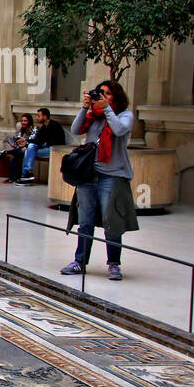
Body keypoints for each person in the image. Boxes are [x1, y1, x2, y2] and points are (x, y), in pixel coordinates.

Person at [61, 81, 138, 282]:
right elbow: (76, 130)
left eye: (107, 93)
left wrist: (106, 109)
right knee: (85, 220)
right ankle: (80, 261)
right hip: (88, 176)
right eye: (100, 93)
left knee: (112, 221)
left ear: (116, 97)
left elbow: (120, 130)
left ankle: (113, 264)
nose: (102, 96)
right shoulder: (93, 116)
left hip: (112, 176)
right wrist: (85, 107)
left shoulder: (124, 115)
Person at [15, 107, 66, 184]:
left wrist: (42, 144)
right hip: (46, 148)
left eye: (39, 116)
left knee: (29, 150)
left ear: (45, 117)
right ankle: (27, 174)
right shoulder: (44, 127)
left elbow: (53, 142)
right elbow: (37, 140)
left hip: (55, 150)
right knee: (30, 147)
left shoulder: (54, 125)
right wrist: (26, 140)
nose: (37, 118)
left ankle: (26, 175)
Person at [0, 113, 33, 182]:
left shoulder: (33, 130)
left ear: (29, 122)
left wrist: (25, 143)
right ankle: (13, 177)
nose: (23, 123)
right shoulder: (21, 131)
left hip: (29, 149)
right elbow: (17, 142)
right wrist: (17, 143)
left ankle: (5, 152)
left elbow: (33, 141)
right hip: (20, 149)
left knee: (17, 152)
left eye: (25, 121)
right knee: (14, 156)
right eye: (22, 121)